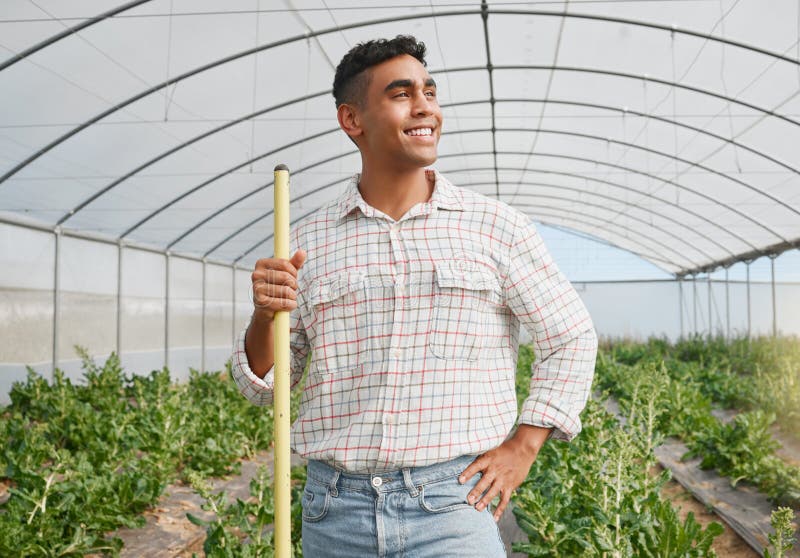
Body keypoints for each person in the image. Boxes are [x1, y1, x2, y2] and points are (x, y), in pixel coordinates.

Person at [231, 35, 598, 557]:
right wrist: (264, 316)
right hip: (334, 510)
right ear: (352, 120)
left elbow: (571, 337)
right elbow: (266, 385)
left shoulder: (495, 228)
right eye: (401, 94)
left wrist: (524, 446)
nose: (425, 105)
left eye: (429, 91)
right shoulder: (306, 242)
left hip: (452, 504)